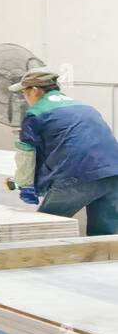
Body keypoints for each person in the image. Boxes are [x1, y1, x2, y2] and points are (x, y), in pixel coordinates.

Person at [11, 68, 118, 235]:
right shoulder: (85, 107)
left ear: (35, 90)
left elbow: (28, 155)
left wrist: (25, 185)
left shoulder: (36, 114)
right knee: (106, 238)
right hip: (113, 174)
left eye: (24, 92)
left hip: (76, 177)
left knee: (46, 231)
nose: (24, 98)